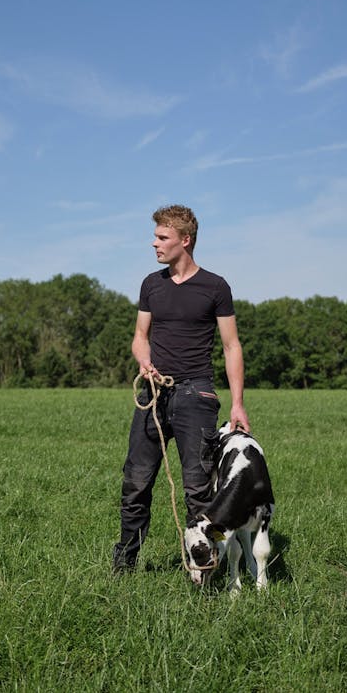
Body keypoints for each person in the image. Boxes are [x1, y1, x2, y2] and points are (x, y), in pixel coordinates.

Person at [111, 204, 249, 574]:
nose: (153, 243)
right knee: (136, 484)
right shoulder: (151, 285)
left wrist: (237, 404)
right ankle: (124, 565)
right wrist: (144, 361)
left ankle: (201, 569)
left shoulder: (215, 287)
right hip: (153, 395)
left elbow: (231, 346)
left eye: (162, 237)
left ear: (185, 240)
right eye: (155, 236)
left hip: (197, 395)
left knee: (198, 491)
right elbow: (140, 337)